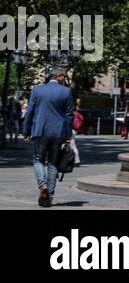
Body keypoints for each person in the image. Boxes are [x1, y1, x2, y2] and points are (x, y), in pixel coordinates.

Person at [21, 68, 74, 207]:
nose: (65, 79)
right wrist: (67, 135)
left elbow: (29, 112)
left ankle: (42, 185)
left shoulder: (37, 90)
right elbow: (69, 115)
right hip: (58, 133)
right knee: (53, 164)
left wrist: (26, 131)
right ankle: (49, 198)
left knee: (38, 160)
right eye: (64, 76)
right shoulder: (66, 92)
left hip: (41, 131)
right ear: (59, 76)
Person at [68, 99, 84, 166]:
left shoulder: (71, 114)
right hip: (74, 130)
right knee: (71, 144)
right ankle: (73, 160)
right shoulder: (77, 114)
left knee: (72, 145)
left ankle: (76, 161)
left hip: (71, 130)